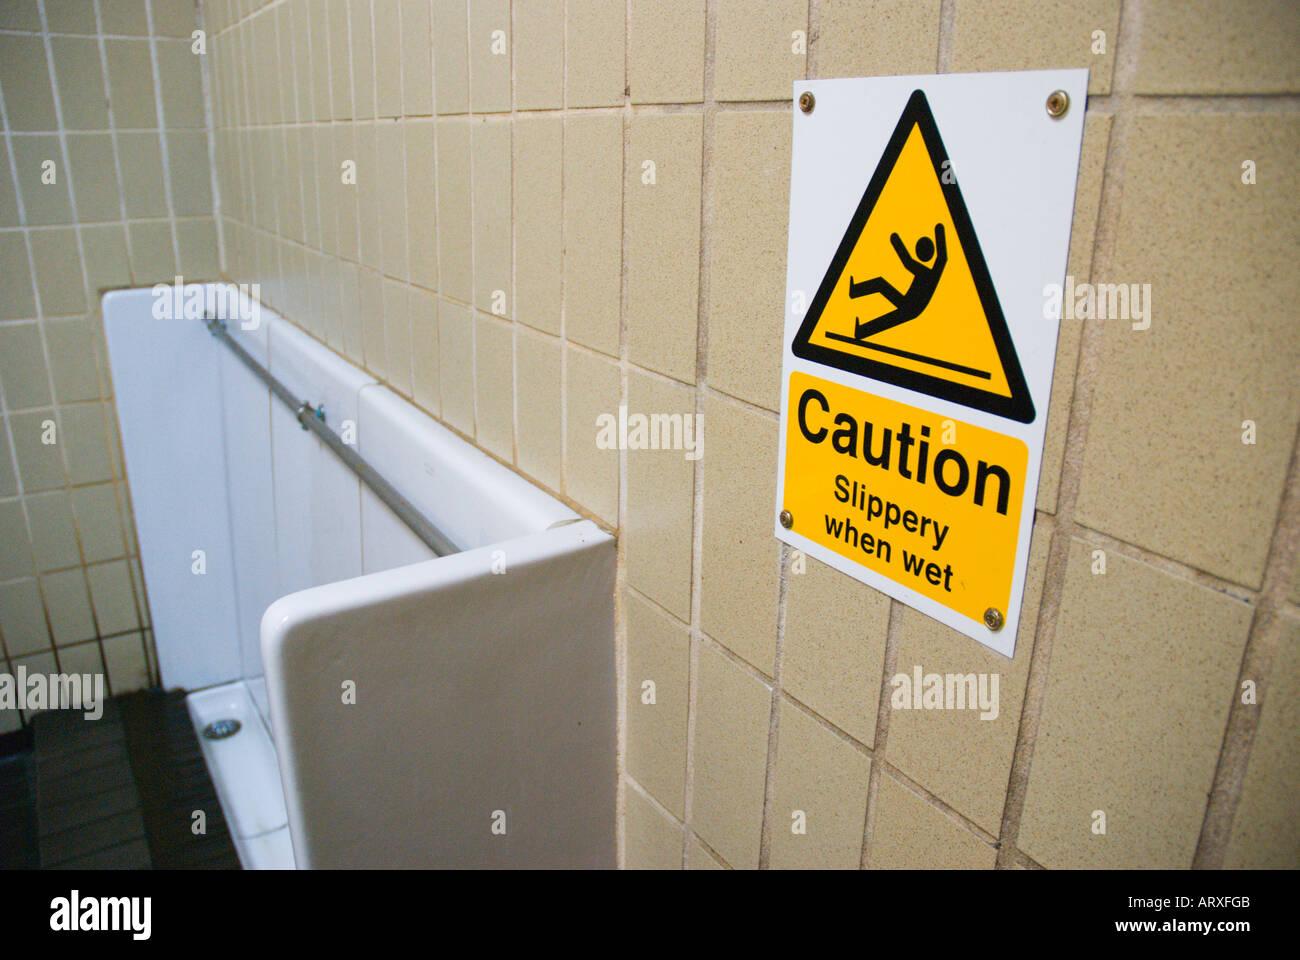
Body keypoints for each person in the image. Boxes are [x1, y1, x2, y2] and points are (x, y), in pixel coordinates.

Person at [847, 224, 947, 340]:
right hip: (908, 303)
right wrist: (939, 231)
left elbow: (909, 262)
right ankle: (855, 294)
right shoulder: (927, 273)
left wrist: (895, 240)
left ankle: (860, 330)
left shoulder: (927, 274)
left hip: (910, 307)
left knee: (888, 316)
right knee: (881, 285)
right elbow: (940, 258)